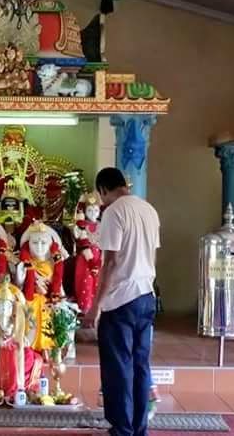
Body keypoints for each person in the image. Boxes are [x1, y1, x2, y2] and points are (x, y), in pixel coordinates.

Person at [82, 168, 160, 436]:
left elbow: (111, 262)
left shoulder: (114, 212)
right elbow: (151, 255)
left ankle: (122, 429)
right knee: (140, 364)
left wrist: (96, 306)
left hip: (121, 301)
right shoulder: (149, 210)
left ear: (102, 190)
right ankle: (140, 428)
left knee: (119, 367)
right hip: (147, 295)